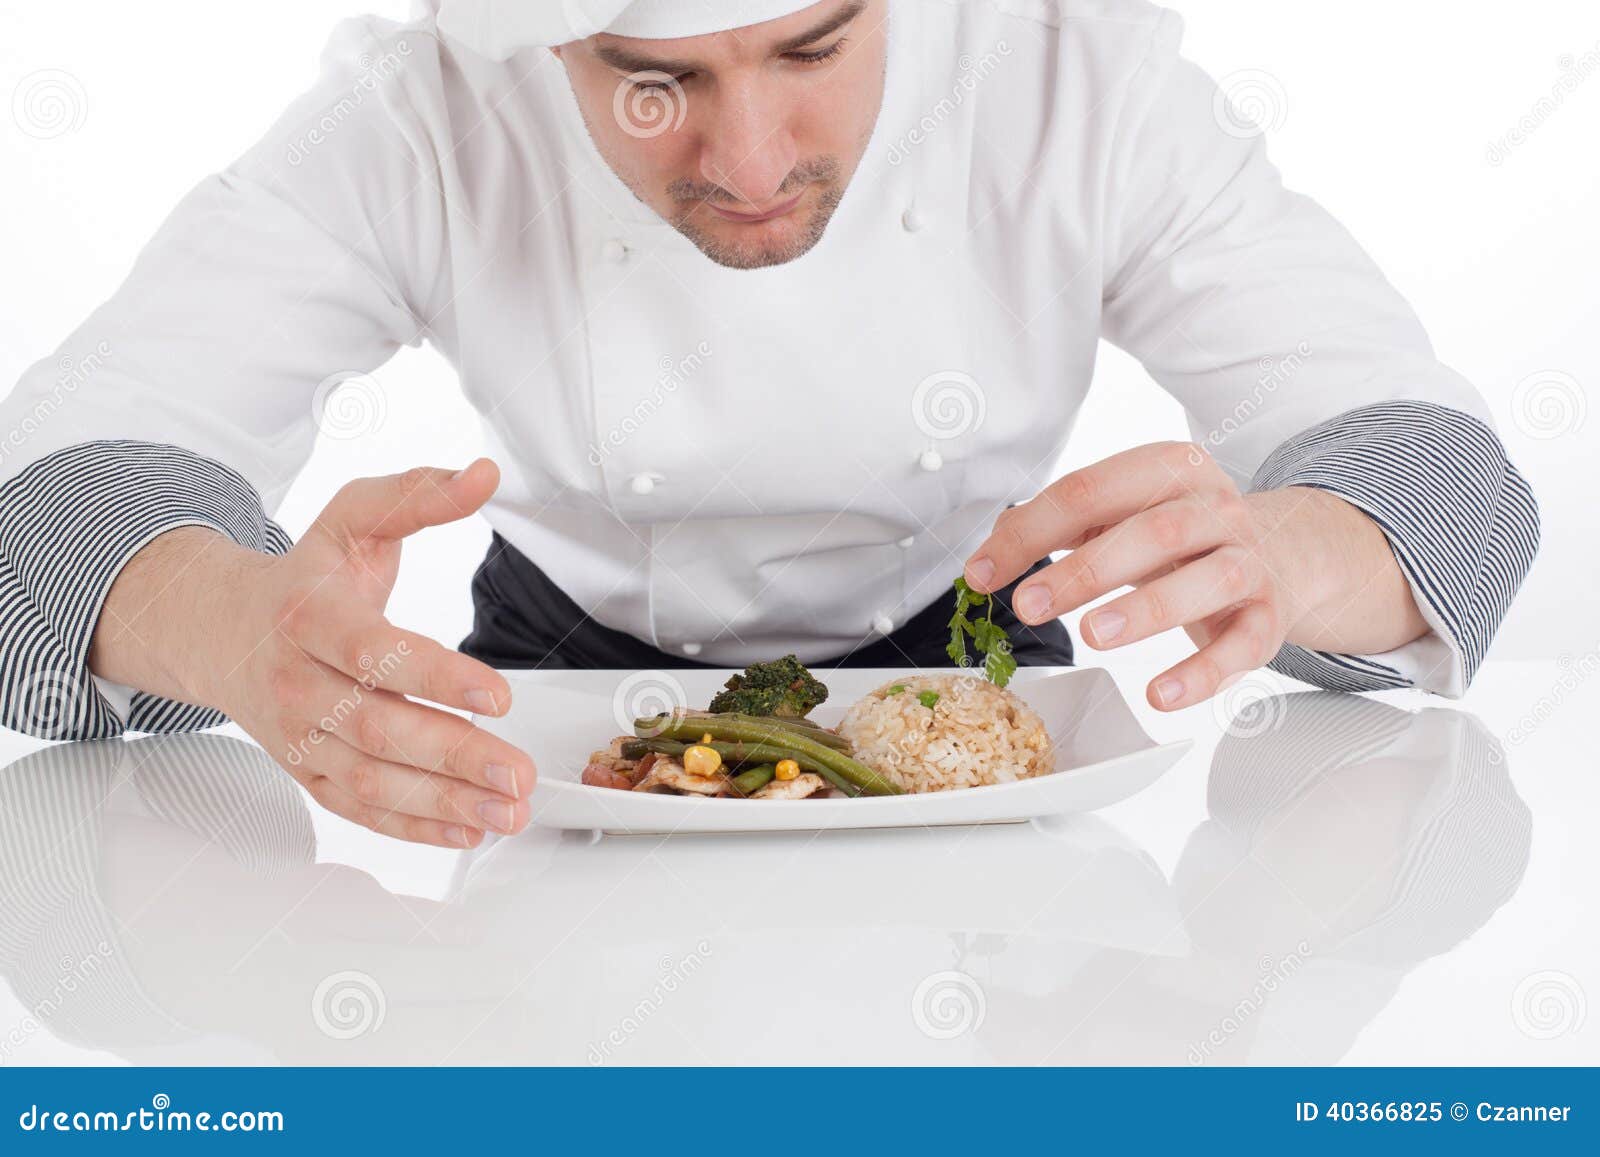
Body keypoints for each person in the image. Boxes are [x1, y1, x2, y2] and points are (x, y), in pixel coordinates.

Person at [0, 0, 1539, 847]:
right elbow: (49, 491)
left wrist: (1292, 549)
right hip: (550, 724)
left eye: (813, 47)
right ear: (546, 45)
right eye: (651, 76)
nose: (745, 158)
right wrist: (221, 625)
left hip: (982, 720)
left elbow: (1447, 476)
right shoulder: (424, 108)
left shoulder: (1077, 73)